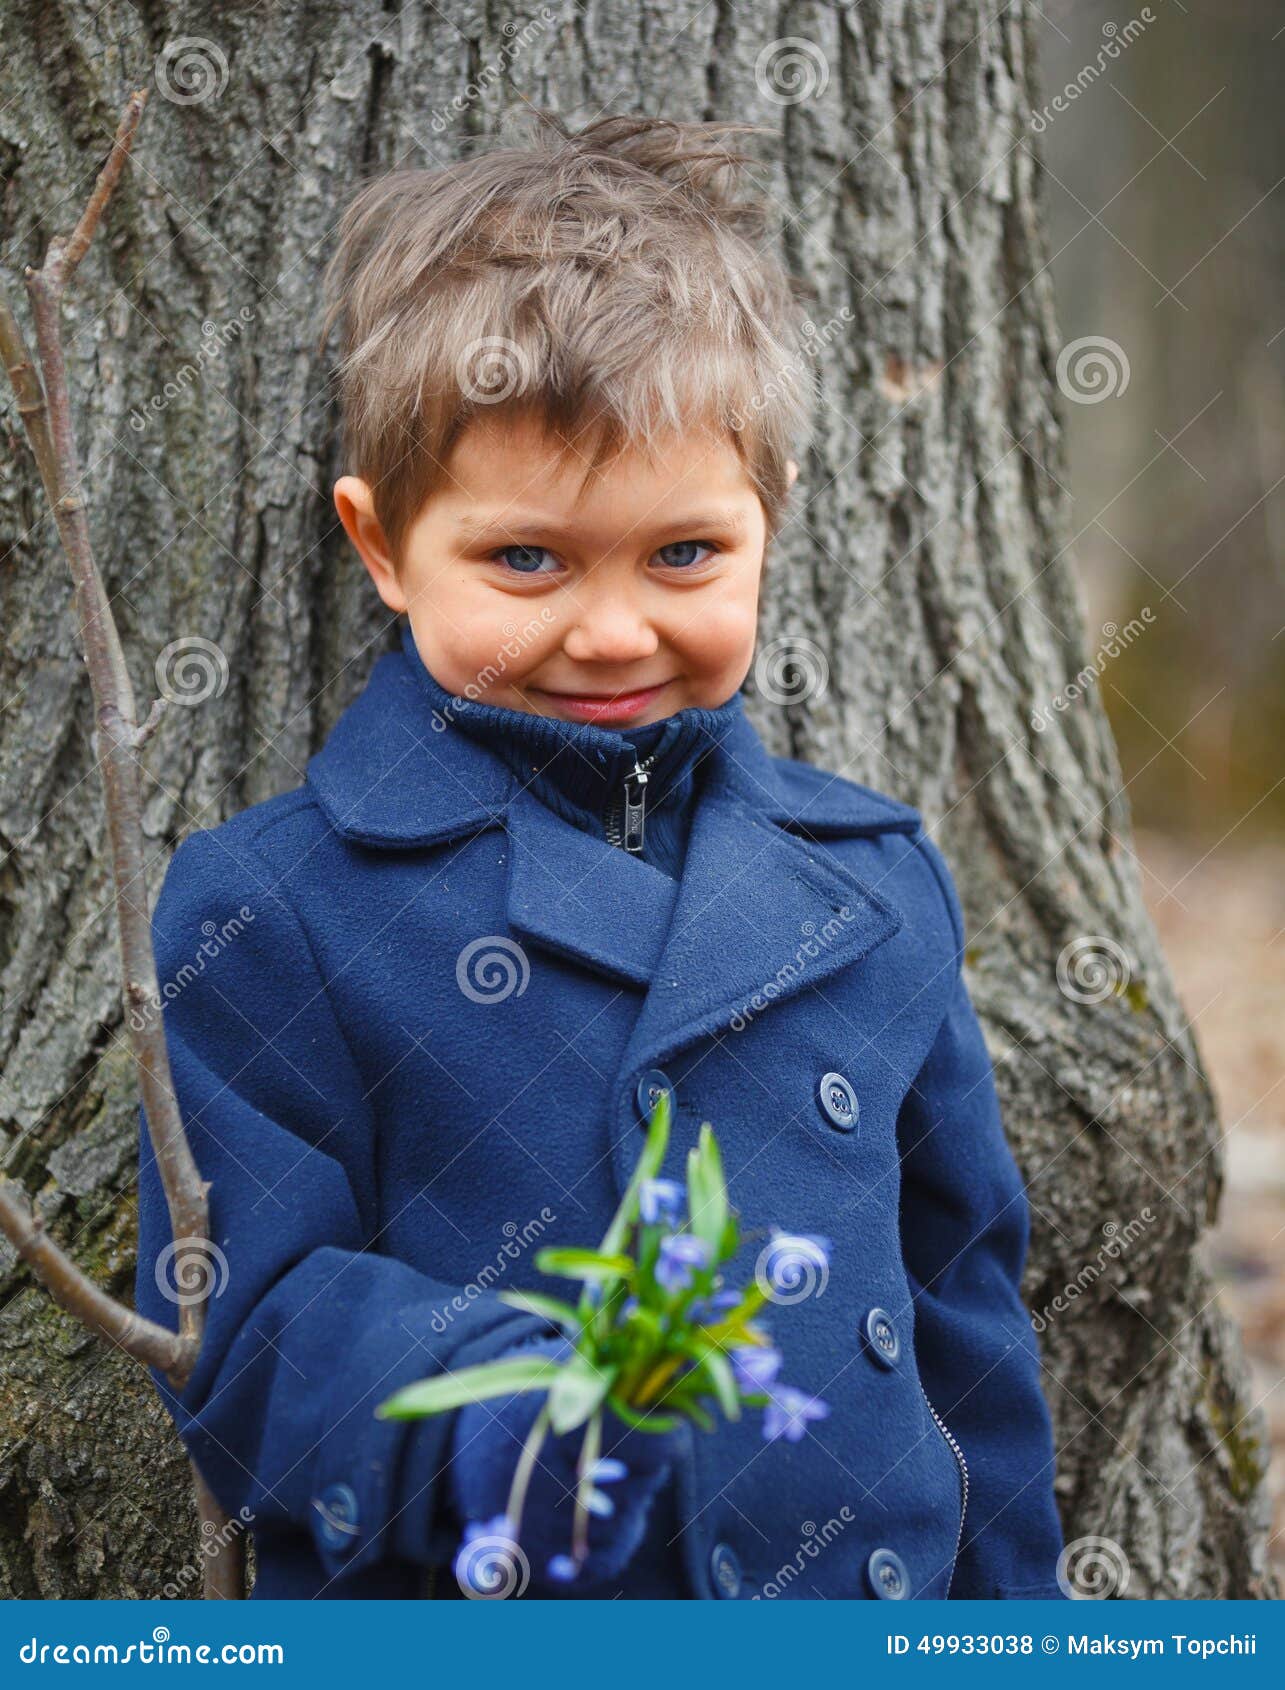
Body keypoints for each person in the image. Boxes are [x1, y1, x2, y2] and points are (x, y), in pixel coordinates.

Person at [134, 114, 1066, 1601]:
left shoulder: (879, 885)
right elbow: (241, 1329)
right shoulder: (276, 906)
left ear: (769, 521)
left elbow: (968, 1324)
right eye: (529, 559)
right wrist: (514, 1413)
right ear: (381, 546)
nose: (616, 630)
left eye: (684, 554)